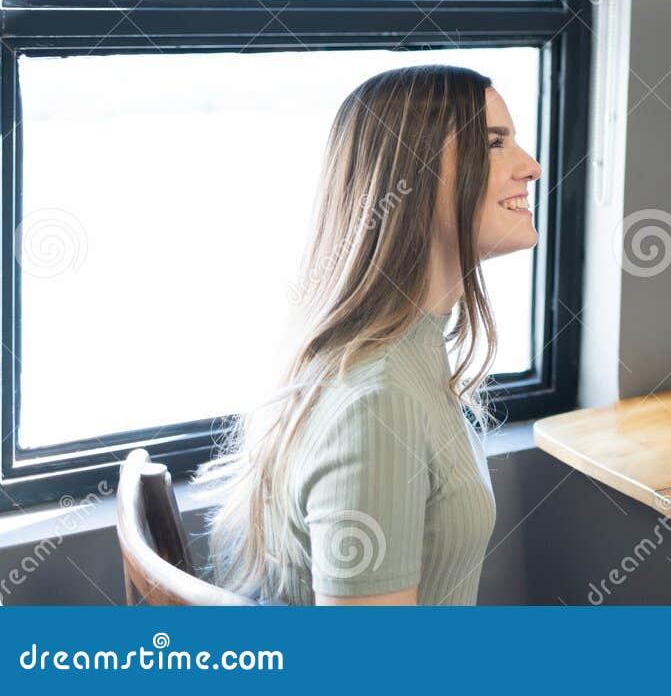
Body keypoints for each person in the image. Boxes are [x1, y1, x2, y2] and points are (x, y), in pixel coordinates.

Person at [197, 64, 542, 604]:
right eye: (494, 144)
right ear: (417, 176)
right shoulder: (378, 407)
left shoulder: (404, 358)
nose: (532, 167)